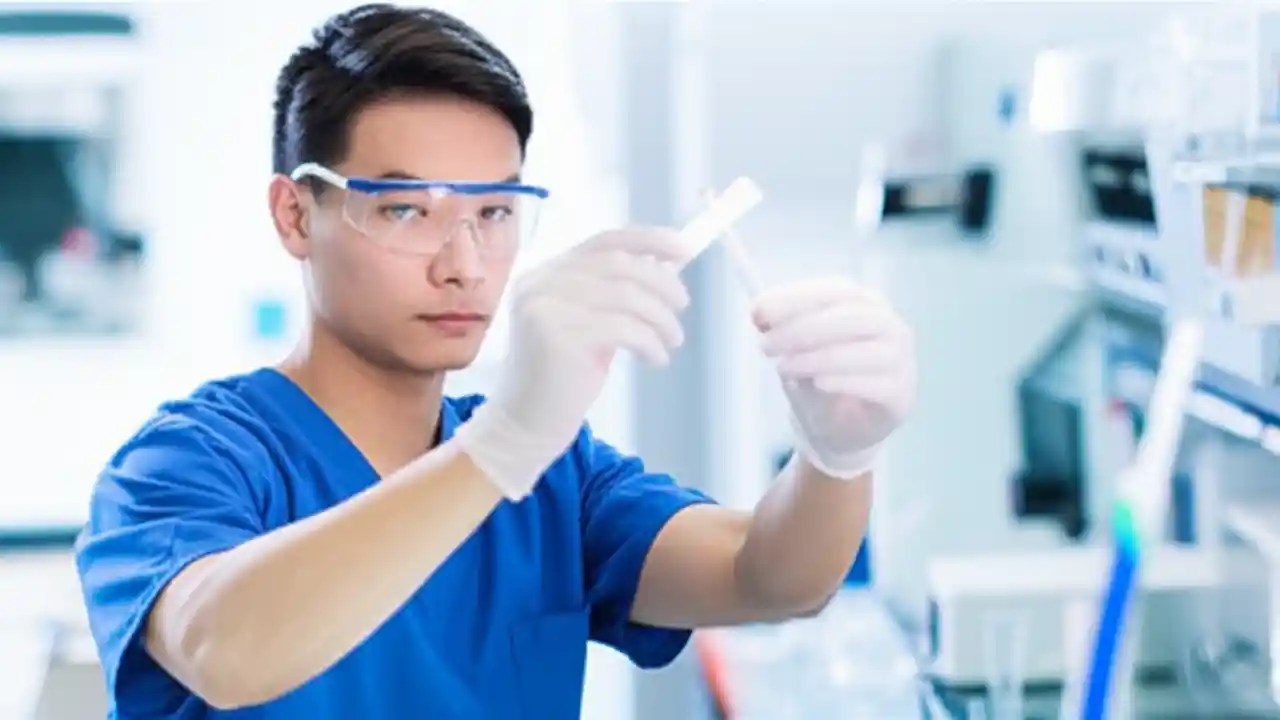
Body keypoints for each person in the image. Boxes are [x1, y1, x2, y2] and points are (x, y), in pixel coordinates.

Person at [74, 4, 917, 719]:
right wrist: (501, 445)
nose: (465, 264)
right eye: (405, 210)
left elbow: (768, 577)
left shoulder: (554, 477)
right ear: (296, 215)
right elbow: (228, 648)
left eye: (495, 211)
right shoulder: (187, 463)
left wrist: (837, 455)